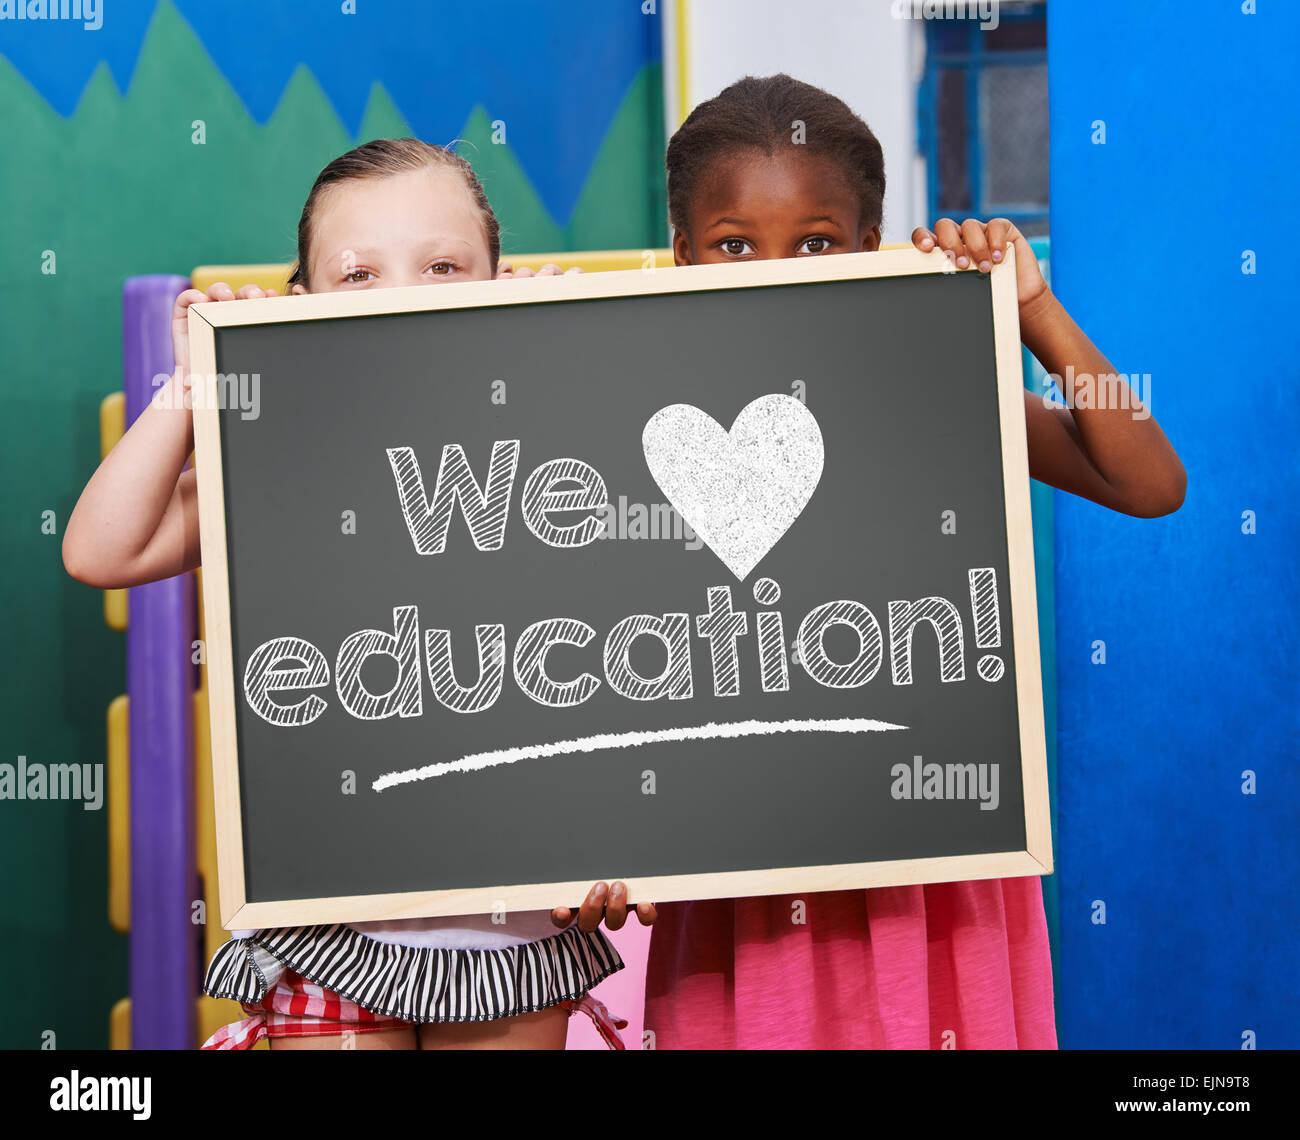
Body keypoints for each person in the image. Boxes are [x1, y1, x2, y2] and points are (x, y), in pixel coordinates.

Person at [62, 137, 655, 1051]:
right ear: (302, 306)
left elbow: (653, 647)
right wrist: (198, 380)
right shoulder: (275, 467)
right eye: (359, 273)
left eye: (444, 266)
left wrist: (573, 352)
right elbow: (103, 548)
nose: (405, 296)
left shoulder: (562, 457)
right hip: (329, 926)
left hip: (515, 931)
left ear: (504, 281)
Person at [643, 74, 1186, 1049]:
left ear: (864, 246)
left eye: (814, 242)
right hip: (743, 883)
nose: (774, 270)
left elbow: (1147, 481)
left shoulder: (929, 385)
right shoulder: (643, 422)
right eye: (734, 243)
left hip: (927, 876)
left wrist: (1032, 312)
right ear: (683, 254)